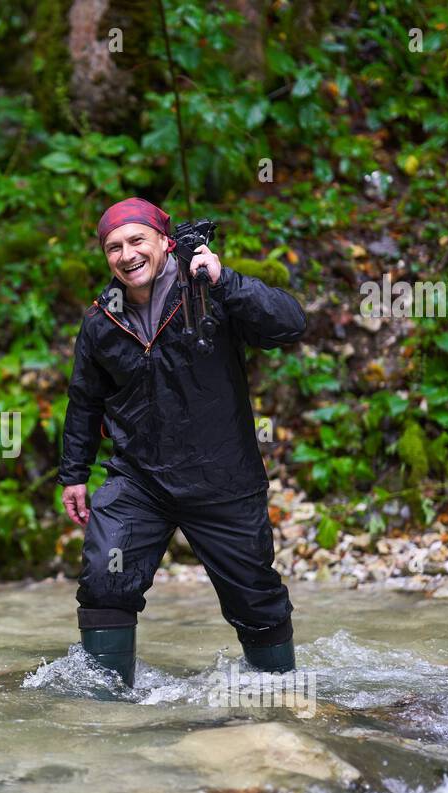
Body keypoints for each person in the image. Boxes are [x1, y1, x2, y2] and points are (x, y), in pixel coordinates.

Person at [58, 197, 307, 687]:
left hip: (222, 477)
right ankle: (107, 715)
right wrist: (74, 474)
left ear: (163, 242)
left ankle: (281, 702)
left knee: (254, 596)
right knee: (106, 580)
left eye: (136, 241)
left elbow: (289, 324)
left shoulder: (209, 290)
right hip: (139, 481)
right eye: (113, 247)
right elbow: (84, 400)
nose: (126, 254)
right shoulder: (101, 319)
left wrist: (225, 280)